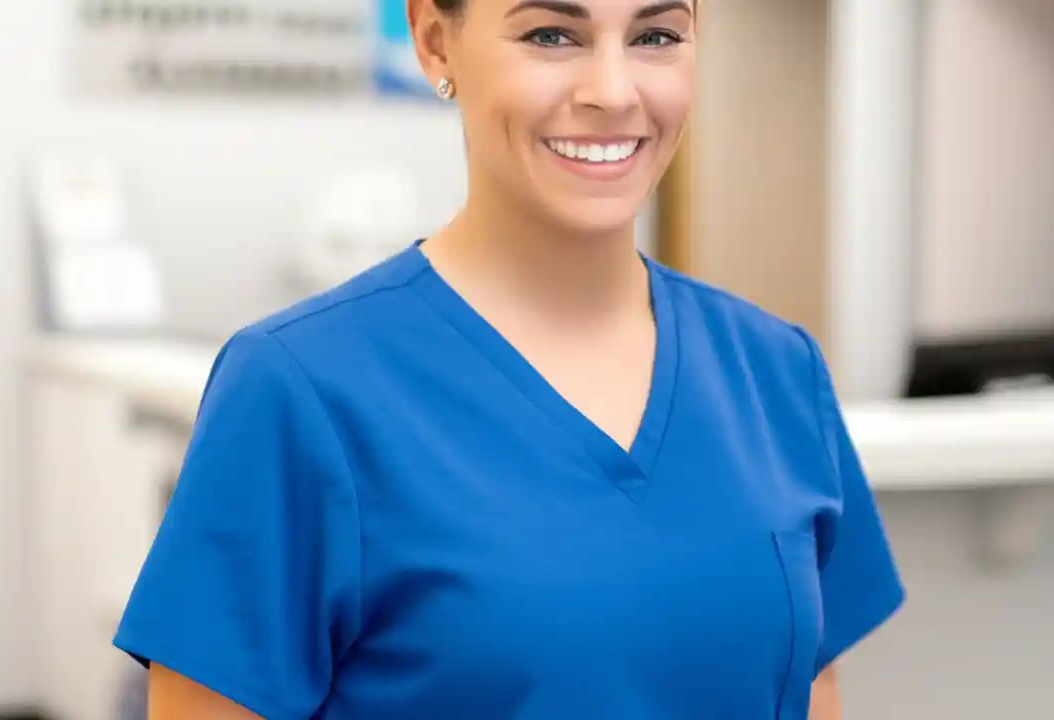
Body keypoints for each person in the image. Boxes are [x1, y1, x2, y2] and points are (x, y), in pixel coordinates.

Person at [112, 0, 905, 716]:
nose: (614, 90)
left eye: (656, 36)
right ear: (433, 41)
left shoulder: (776, 372)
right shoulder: (297, 390)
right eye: (551, 34)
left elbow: (811, 694)